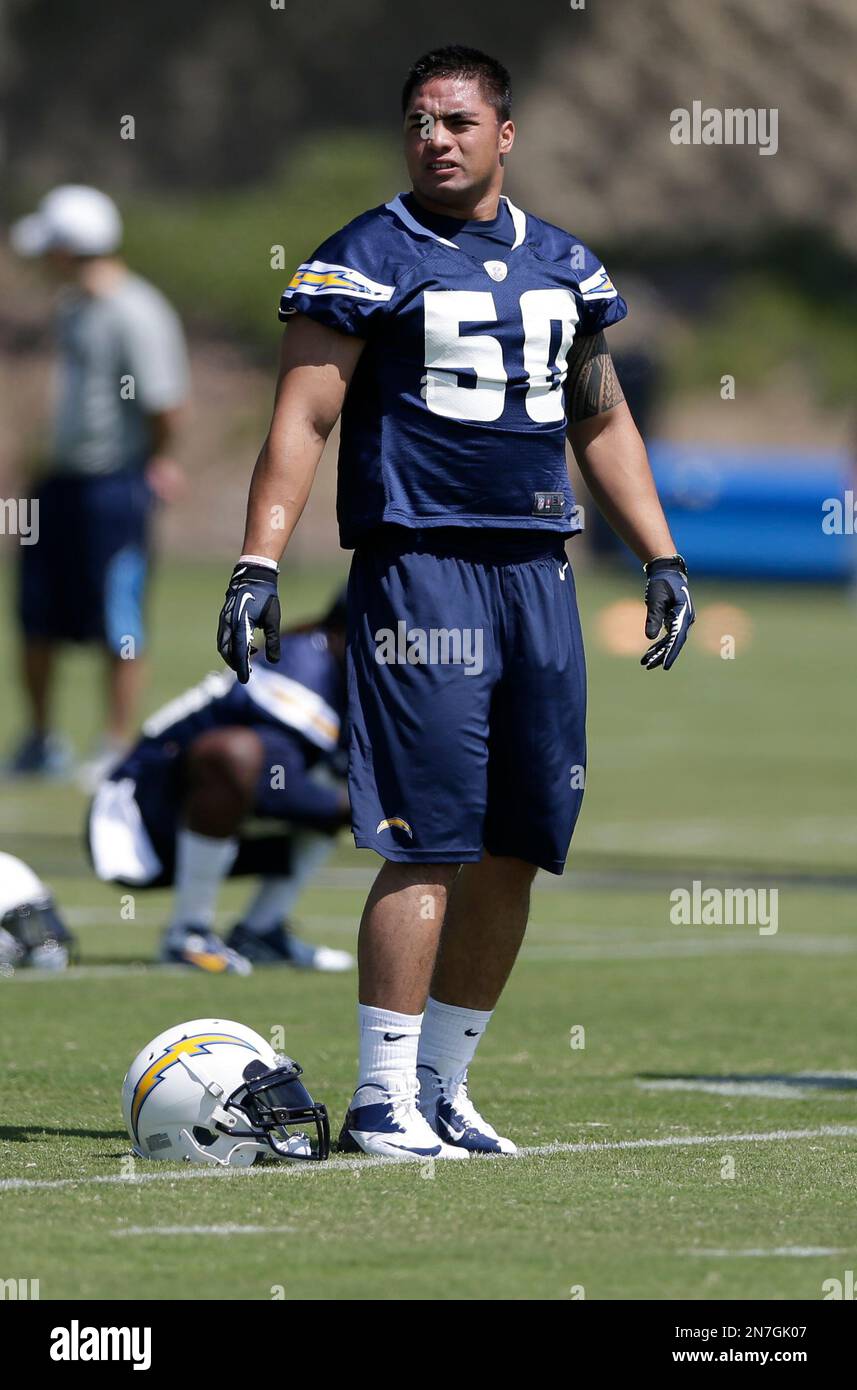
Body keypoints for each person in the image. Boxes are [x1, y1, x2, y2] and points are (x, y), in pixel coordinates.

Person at [217, 46, 694, 1159]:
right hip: (419, 565)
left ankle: (441, 1086)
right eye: (419, 122)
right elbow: (302, 420)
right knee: (428, 836)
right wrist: (256, 563)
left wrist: (661, 556)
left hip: (538, 568)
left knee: (519, 840)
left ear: (504, 135)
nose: (435, 137)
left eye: (457, 120)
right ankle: (380, 1096)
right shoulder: (365, 256)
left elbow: (600, 419)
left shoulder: (566, 265)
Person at [8, 184, 189, 786]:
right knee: (35, 614)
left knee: (120, 614)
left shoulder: (137, 310)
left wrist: (155, 461)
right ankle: (40, 741)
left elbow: (165, 405)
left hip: (114, 487)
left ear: (69, 247)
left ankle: (114, 744)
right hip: (56, 486)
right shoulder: (73, 307)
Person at [88, 590, 353, 973]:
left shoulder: (344, 676)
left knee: (336, 780)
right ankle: (188, 933)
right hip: (138, 814)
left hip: (200, 815)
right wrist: (367, 809)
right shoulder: (301, 664)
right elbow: (277, 790)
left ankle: (260, 932)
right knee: (235, 756)